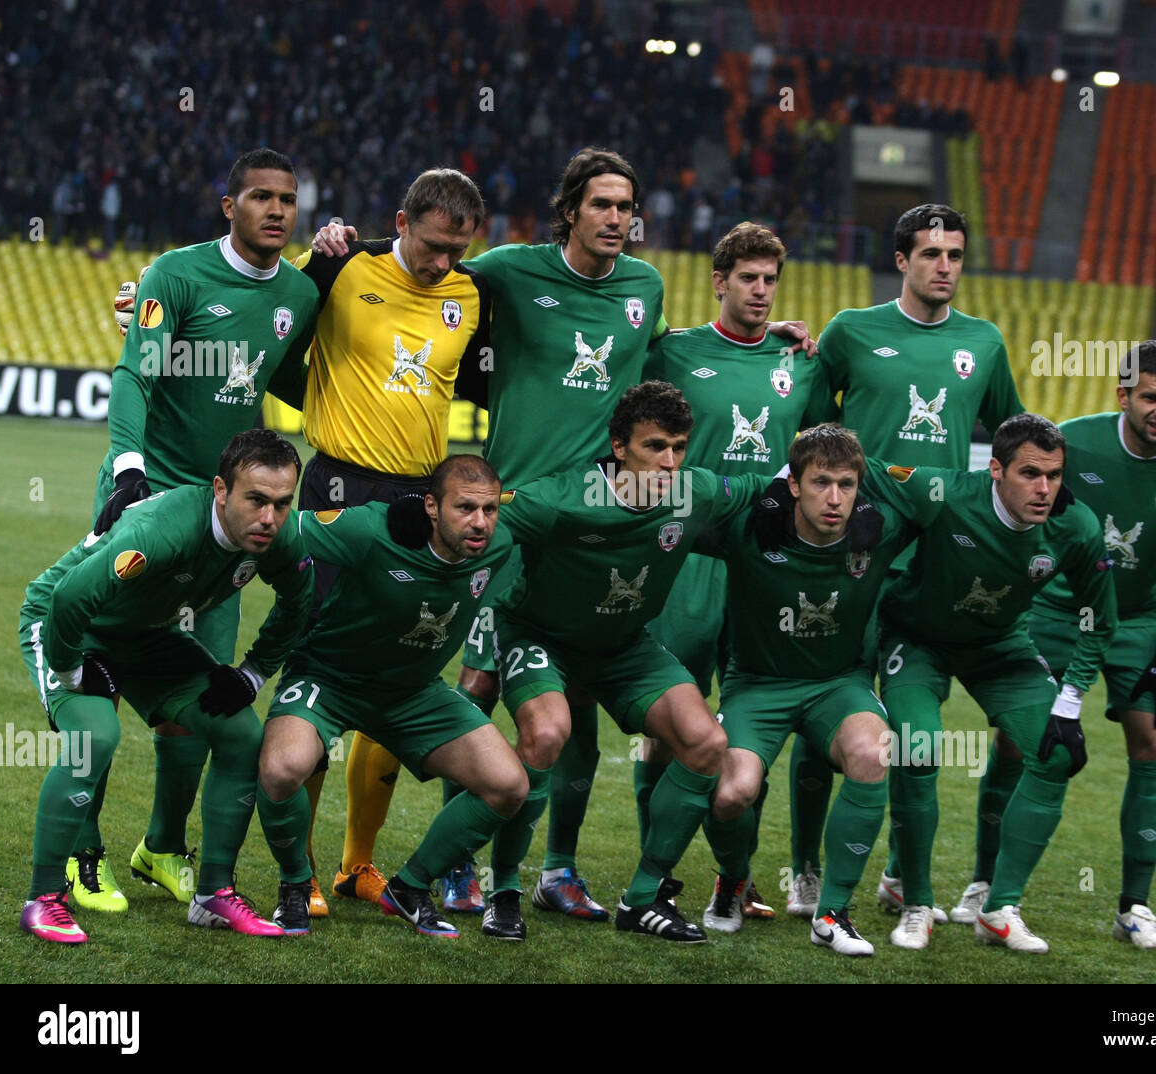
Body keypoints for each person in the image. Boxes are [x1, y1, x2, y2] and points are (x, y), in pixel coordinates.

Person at [313, 149, 812, 922]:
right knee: (476, 690)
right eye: (602, 204)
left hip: (597, 527)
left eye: (627, 206)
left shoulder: (644, 289)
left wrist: (755, 333)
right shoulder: (510, 270)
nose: (617, 218)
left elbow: (661, 353)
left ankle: (556, 868)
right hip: (511, 517)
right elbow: (430, 260)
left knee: (564, 717)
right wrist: (350, 249)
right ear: (570, 210)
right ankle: (457, 870)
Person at [75, 148, 321, 916]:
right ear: (228, 206)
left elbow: (285, 376)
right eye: (260, 197)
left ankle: (162, 847)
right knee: (100, 686)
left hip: (230, 523)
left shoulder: (300, 292)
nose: (276, 210)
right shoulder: (175, 276)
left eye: (287, 199)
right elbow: (135, 376)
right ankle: (83, 852)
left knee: (201, 696)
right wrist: (127, 471)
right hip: (151, 503)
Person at [787, 203, 1023, 921]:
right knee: (829, 702)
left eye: (955, 253)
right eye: (930, 254)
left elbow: (1014, 437)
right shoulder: (852, 331)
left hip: (939, 562)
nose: (944, 266)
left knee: (918, 721)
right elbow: (803, 419)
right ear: (901, 261)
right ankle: (803, 867)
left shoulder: (983, 342)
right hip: (851, 550)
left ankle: (897, 874)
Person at [951, 342, 1156, 949]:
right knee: (1019, 740)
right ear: (1123, 394)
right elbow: (1018, 515)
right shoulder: (1072, 444)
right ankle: (984, 883)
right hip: (1055, 608)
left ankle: (1135, 906)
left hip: (1138, 618)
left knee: (1154, 740)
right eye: (1150, 396)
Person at [480, 380, 777, 942]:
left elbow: (772, 487)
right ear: (619, 447)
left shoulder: (694, 491)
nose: (669, 462)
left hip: (623, 646)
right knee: (548, 735)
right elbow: (483, 528)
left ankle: (641, 899)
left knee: (706, 742)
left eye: (679, 447)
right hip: (542, 638)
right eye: (655, 447)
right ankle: (503, 892)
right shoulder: (562, 497)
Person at [18, 430, 314, 943]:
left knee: (242, 733)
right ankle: (43, 900)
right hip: (69, 626)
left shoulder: (277, 536)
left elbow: (298, 599)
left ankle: (214, 896)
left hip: (149, 635)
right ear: (221, 490)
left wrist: (254, 672)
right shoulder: (161, 530)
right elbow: (67, 599)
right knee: (95, 736)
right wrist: (71, 673)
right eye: (256, 500)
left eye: (283, 503)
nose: (270, 517)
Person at [290, 168, 491, 919]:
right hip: (339, 493)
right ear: (403, 221)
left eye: (457, 250)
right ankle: (298, 865)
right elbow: (266, 312)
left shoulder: (471, 294)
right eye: (434, 246)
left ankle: (356, 864)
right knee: (318, 669)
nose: (443, 263)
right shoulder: (343, 264)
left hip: (420, 501)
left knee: (397, 673)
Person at [641, 221, 832, 918]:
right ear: (719, 281)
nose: (759, 290)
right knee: (666, 726)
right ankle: (653, 872)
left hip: (768, 565)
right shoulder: (674, 352)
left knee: (753, 730)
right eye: (747, 278)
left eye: (769, 279)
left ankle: (736, 876)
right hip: (686, 562)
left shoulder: (800, 365)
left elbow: (822, 452)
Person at [871, 413, 1117, 952]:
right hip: (917, 640)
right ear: (995, 470)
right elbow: (861, 469)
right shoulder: (943, 491)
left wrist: (1070, 704)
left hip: (1000, 646)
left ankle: (999, 907)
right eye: (1030, 474)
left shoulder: (1077, 527)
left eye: (1054, 475)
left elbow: (1101, 621)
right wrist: (778, 487)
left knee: (1055, 755)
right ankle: (913, 900)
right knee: (919, 745)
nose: (1045, 488)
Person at [255, 454, 527, 937]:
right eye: (464, 508)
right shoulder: (369, 529)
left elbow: (565, 510)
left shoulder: (499, 540)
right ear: (430, 506)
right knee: (281, 769)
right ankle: (296, 883)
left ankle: (410, 887)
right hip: (329, 677)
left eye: (489, 509)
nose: (480, 523)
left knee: (509, 785)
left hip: (413, 693)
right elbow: (278, 529)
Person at [697, 424, 913, 956]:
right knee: (732, 792)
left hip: (838, 685)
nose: (834, 498)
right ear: (792, 483)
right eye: (820, 483)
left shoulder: (881, 530)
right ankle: (734, 880)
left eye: (846, 484)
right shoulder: (751, 526)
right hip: (758, 685)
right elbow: (674, 509)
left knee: (874, 751)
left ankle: (833, 912)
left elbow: (950, 499)